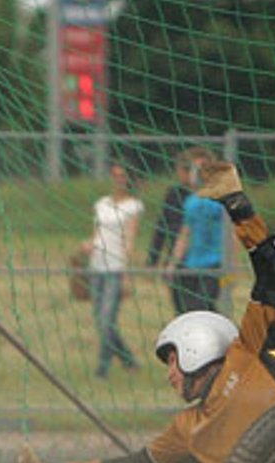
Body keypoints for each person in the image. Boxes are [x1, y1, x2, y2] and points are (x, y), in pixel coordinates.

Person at [17, 160, 275, 463]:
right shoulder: (187, 428)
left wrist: (238, 205)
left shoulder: (249, 350)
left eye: (173, 360)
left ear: (198, 344)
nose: (169, 375)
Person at [85, 162, 145, 377]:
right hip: (97, 264)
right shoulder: (102, 203)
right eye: (115, 175)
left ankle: (103, 367)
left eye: (122, 175)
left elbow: (129, 238)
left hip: (115, 266)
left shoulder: (133, 206)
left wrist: (127, 272)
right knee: (99, 318)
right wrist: (88, 246)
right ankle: (128, 360)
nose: (118, 179)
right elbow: (97, 233)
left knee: (107, 318)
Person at [145, 147, 205, 297]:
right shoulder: (174, 194)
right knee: (182, 308)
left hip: (206, 263)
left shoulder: (214, 198)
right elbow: (162, 227)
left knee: (203, 308)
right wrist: (153, 260)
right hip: (178, 261)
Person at [168, 174, 226, 314]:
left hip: (215, 264)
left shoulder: (222, 202)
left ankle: (230, 333)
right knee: (186, 309)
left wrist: (231, 265)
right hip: (191, 264)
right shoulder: (191, 202)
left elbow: (231, 234)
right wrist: (173, 263)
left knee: (200, 306)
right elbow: (185, 234)